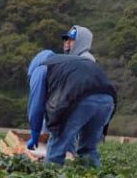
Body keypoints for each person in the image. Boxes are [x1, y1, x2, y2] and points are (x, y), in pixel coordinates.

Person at [26, 25, 116, 168]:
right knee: (88, 149)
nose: (67, 43)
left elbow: (37, 106)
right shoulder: (68, 63)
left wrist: (35, 133)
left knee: (57, 146)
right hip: (108, 99)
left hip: (82, 98)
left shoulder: (41, 68)